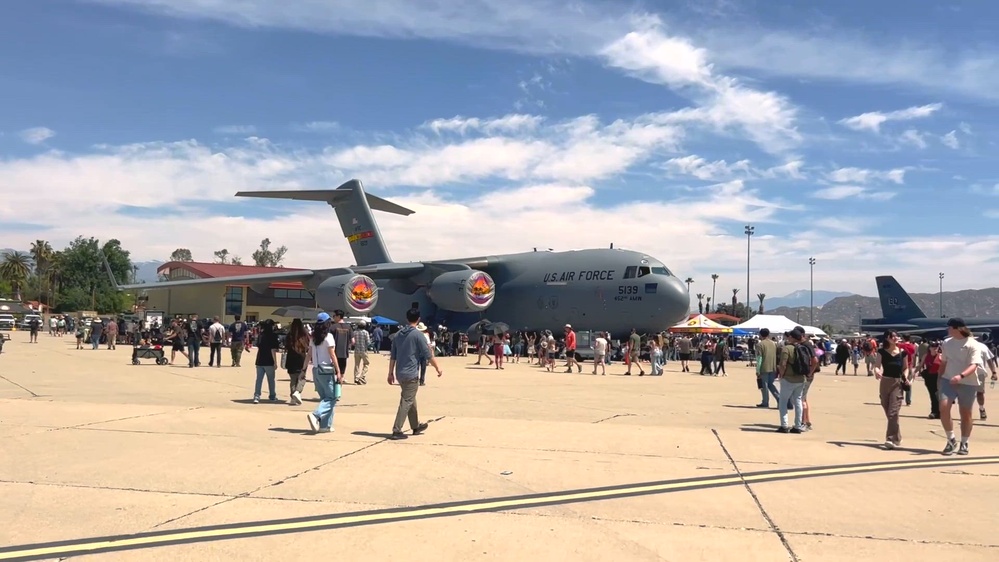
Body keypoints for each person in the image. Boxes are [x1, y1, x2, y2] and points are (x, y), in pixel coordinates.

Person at [387, 308, 442, 440]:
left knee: (410, 398)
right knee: (407, 400)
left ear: (407, 319)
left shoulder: (398, 335)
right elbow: (428, 354)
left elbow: (393, 356)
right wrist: (437, 368)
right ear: (418, 319)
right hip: (411, 373)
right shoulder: (418, 335)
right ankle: (397, 429)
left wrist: (390, 373)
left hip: (400, 373)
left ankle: (415, 426)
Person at [938, 318, 980, 455]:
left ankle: (964, 442)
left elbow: (974, 365)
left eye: (949, 327)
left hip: (967, 382)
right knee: (943, 407)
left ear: (957, 329)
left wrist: (960, 376)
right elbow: (943, 362)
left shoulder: (973, 344)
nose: (947, 330)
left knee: (965, 413)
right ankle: (951, 439)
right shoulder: (946, 343)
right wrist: (939, 379)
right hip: (948, 380)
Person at [873, 330, 911, 449]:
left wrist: (906, 377)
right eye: (892, 336)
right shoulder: (881, 352)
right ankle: (897, 437)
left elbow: (906, 368)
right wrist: (877, 371)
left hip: (897, 383)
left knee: (893, 412)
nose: (895, 338)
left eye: (896, 336)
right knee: (887, 410)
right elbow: (877, 366)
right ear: (887, 339)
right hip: (885, 382)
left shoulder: (902, 352)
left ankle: (890, 439)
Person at [306, 312, 342, 433]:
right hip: (326, 370)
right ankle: (316, 415)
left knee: (325, 399)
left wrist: (303, 370)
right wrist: (338, 371)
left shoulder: (313, 338)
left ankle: (325, 425)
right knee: (332, 398)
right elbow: (333, 355)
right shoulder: (328, 337)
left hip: (316, 370)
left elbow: (309, 355)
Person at [252, 319, 280, 404]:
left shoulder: (261, 335)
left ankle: (257, 396)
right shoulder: (273, 335)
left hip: (260, 360)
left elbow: (258, 345)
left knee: (259, 380)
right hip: (269, 361)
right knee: (271, 380)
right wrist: (275, 362)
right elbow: (273, 350)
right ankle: (272, 396)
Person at [284, 318, 311, 405]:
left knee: (293, 379)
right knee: (302, 377)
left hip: (291, 359)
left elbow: (285, 346)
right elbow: (309, 346)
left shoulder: (289, 335)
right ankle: (297, 392)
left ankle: (293, 397)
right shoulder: (304, 335)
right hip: (301, 358)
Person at [755, 328, 779, 408]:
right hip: (773, 367)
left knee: (764, 386)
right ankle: (779, 399)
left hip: (764, 368)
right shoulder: (774, 344)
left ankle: (765, 402)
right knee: (770, 385)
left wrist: (758, 370)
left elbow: (759, 358)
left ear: (761, 335)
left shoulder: (760, 345)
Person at [920, 341, 943, 419]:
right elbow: (920, 365)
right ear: (929, 348)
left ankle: (940, 412)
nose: (935, 348)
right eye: (933, 347)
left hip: (939, 377)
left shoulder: (941, 356)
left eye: (936, 347)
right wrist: (914, 373)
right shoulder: (926, 356)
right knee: (932, 395)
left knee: (939, 395)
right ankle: (934, 412)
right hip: (929, 377)